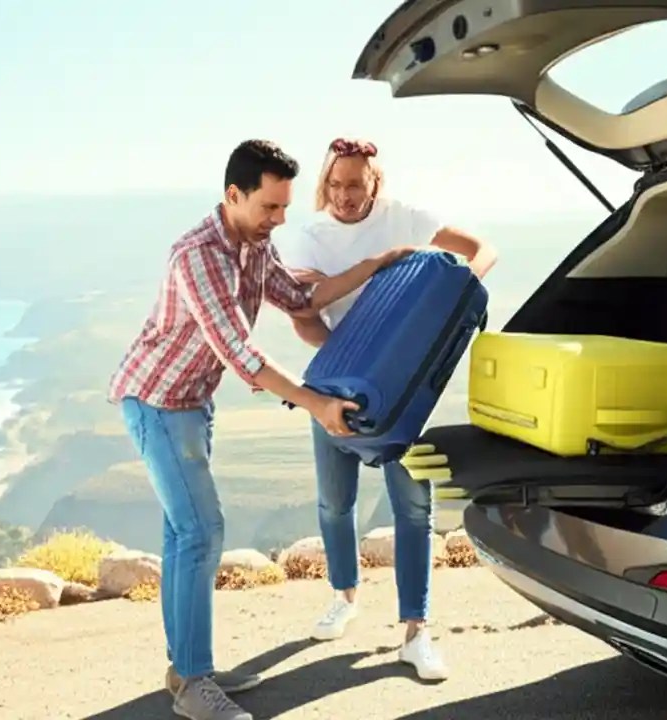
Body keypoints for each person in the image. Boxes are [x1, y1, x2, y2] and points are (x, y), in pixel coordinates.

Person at [107, 139, 416, 720]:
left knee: (183, 537)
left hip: (191, 403)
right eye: (269, 208)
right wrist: (315, 404)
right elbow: (240, 355)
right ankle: (195, 684)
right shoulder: (198, 255)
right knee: (201, 532)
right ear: (233, 195)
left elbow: (298, 297)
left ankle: (187, 667)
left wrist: (373, 266)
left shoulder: (253, 245)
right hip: (157, 401)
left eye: (284, 209)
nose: (278, 221)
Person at [279, 137, 498, 681]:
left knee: (413, 509)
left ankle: (416, 633)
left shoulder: (408, 218)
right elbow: (303, 312)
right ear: (323, 185)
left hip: (405, 390)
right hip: (335, 383)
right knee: (335, 503)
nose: (345, 195)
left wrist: (455, 295)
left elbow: (481, 251)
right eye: (335, 184)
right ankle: (345, 597)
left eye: (355, 184)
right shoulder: (308, 236)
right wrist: (352, 346)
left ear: (375, 182)